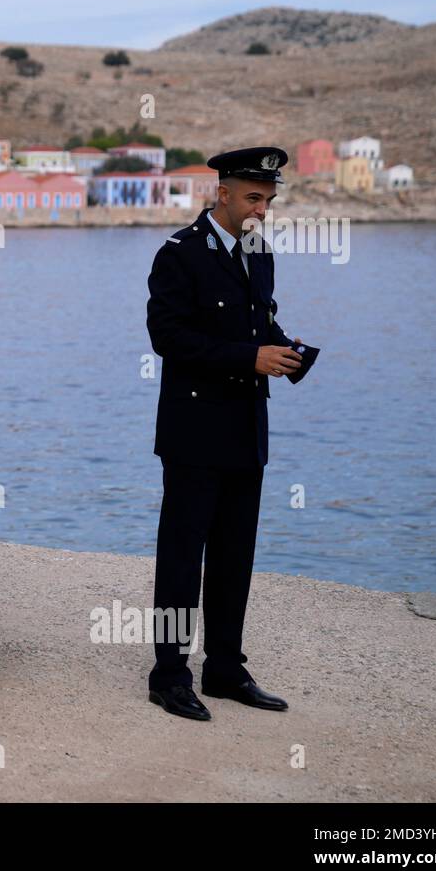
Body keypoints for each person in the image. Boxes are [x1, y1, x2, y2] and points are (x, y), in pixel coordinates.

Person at [144, 146, 303, 721]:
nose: (262, 210)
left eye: (269, 200)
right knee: (182, 557)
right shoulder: (179, 255)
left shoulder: (258, 252)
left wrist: (283, 350)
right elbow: (169, 338)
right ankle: (169, 674)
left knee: (236, 555)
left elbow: (260, 320)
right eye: (254, 198)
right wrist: (249, 357)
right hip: (193, 430)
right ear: (224, 194)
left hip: (245, 428)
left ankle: (225, 669)